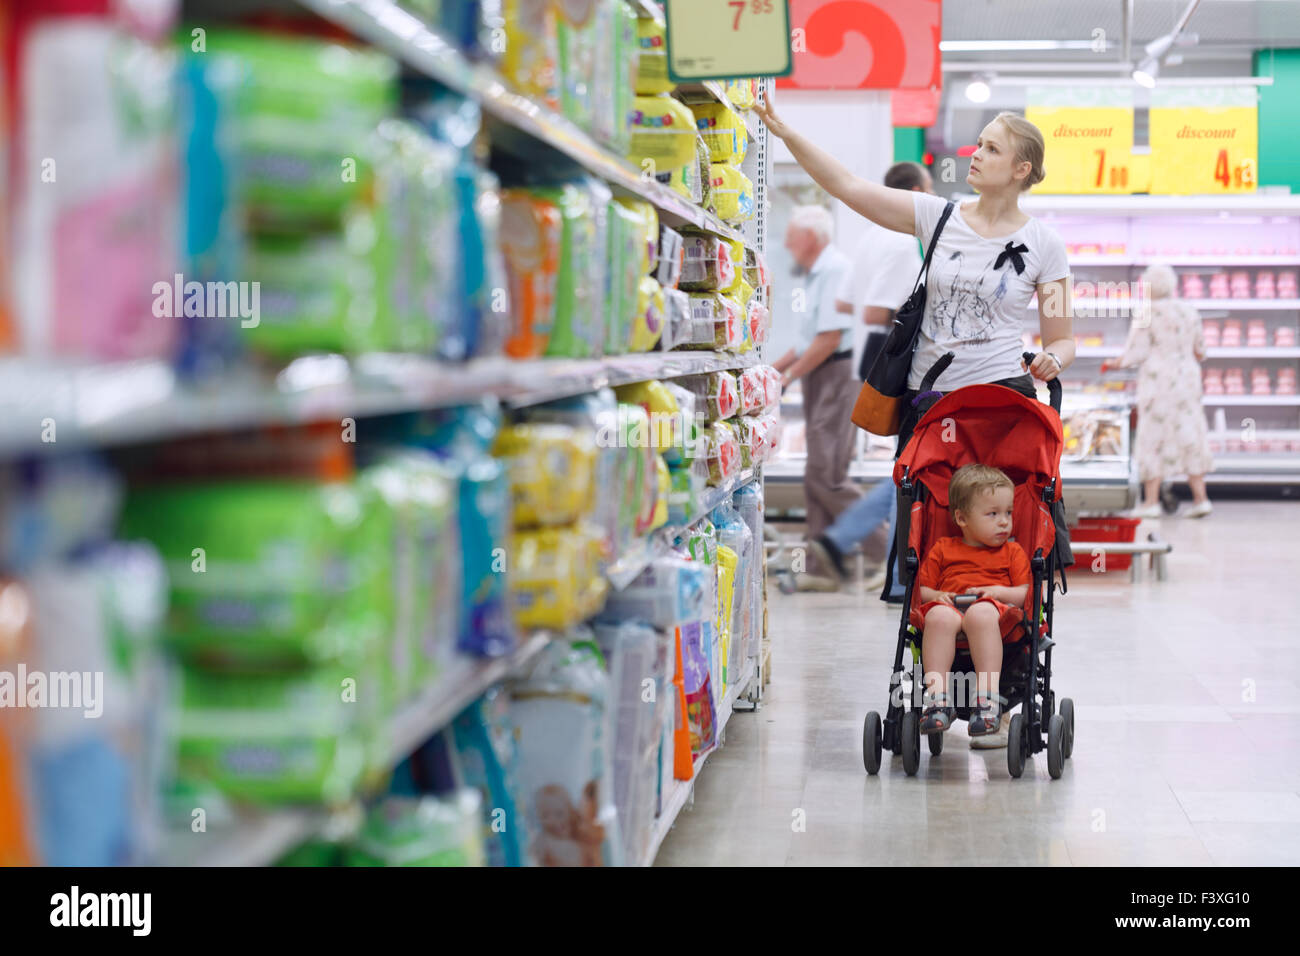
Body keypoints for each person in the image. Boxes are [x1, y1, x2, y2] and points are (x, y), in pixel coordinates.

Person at [755, 100, 1075, 745]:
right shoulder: (938, 216)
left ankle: (1000, 695)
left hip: (1007, 409)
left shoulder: (1046, 244)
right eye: (976, 144)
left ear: (1021, 167)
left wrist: (1050, 357)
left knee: (1000, 538)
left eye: (988, 148)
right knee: (933, 536)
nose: (972, 156)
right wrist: (789, 132)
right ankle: (934, 682)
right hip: (935, 408)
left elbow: (1066, 338)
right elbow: (850, 189)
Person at [808, 162, 933, 598]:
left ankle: (850, 545)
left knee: (910, 462)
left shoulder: (868, 239)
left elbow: (847, 304)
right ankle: (896, 575)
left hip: (871, 355)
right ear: (917, 192)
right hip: (895, 358)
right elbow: (878, 311)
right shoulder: (903, 240)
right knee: (914, 463)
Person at [771, 205, 857, 587]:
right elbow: (807, 339)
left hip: (838, 372)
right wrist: (772, 371)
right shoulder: (816, 273)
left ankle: (889, 549)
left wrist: (787, 377)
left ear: (810, 237)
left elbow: (829, 338)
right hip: (822, 372)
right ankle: (820, 569)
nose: (787, 243)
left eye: (792, 235)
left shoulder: (835, 269)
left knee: (827, 474)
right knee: (815, 474)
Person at [913, 465, 1030, 737]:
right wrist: (937, 597)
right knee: (936, 617)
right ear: (962, 518)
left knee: (980, 614)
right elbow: (923, 590)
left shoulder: (1012, 552)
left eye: (1008, 513)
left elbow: (1026, 593)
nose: (1004, 521)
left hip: (994, 612)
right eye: (993, 514)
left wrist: (997, 591)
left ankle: (986, 698)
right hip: (950, 607)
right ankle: (937, 698)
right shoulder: (943, 548)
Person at [1101, 264, 1213, 518]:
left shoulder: (1146, 313)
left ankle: (1151, 502)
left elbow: (1136, 353)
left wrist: (1114, 363)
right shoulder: (1189, 311)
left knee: (1153, 436)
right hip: (1187, 378)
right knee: (1190, 432)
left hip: (1158, 379)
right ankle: (1201, 498)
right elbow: (1201, 351)